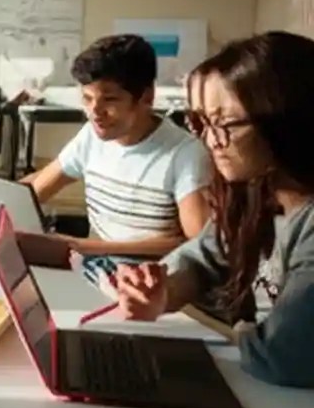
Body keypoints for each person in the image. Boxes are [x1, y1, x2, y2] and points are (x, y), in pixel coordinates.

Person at [115, 32, 314, 388]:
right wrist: (165, 290)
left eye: (225, 124)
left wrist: (234, 329)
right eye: (200, 122)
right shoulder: (255, 190)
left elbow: (284, 357)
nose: (209, 141)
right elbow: (205, 255)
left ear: (287, 120)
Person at [24, 34, 210, 257]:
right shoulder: (91, 137)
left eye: (109, 100)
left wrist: (84, 247)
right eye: (87, 98)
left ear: (147, 96)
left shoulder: (186, 155)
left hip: (153, 280)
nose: (95, 112)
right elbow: (35, 190)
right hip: (96, 268)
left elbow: (197, 244)